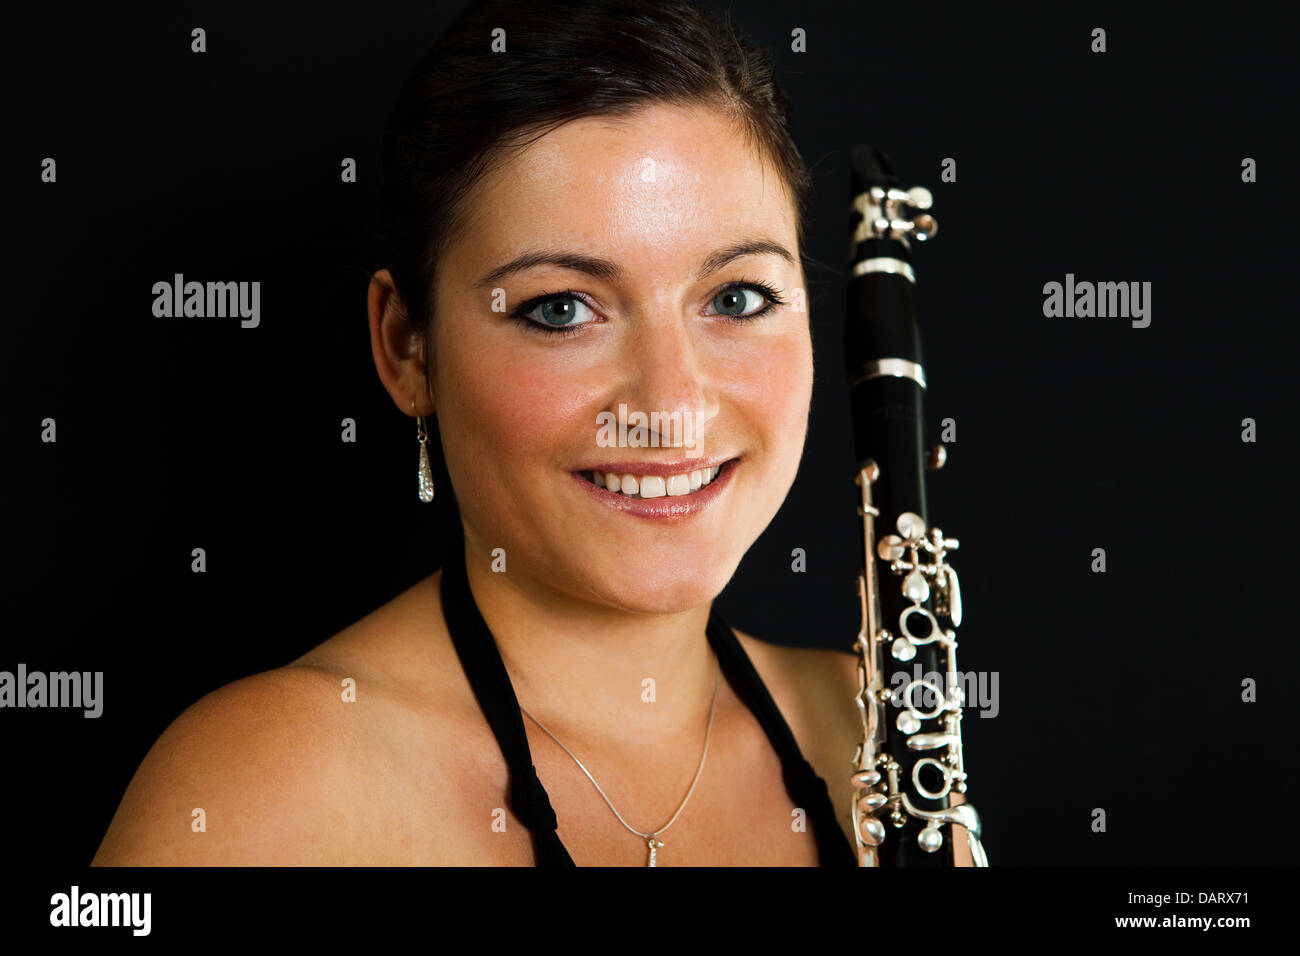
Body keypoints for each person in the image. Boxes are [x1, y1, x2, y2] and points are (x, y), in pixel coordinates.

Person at [92, 0, 872, 866]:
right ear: (406, 348)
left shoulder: (866, 720)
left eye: (736, 298)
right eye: (562, 309)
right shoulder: (263, 784)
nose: (671, 403)